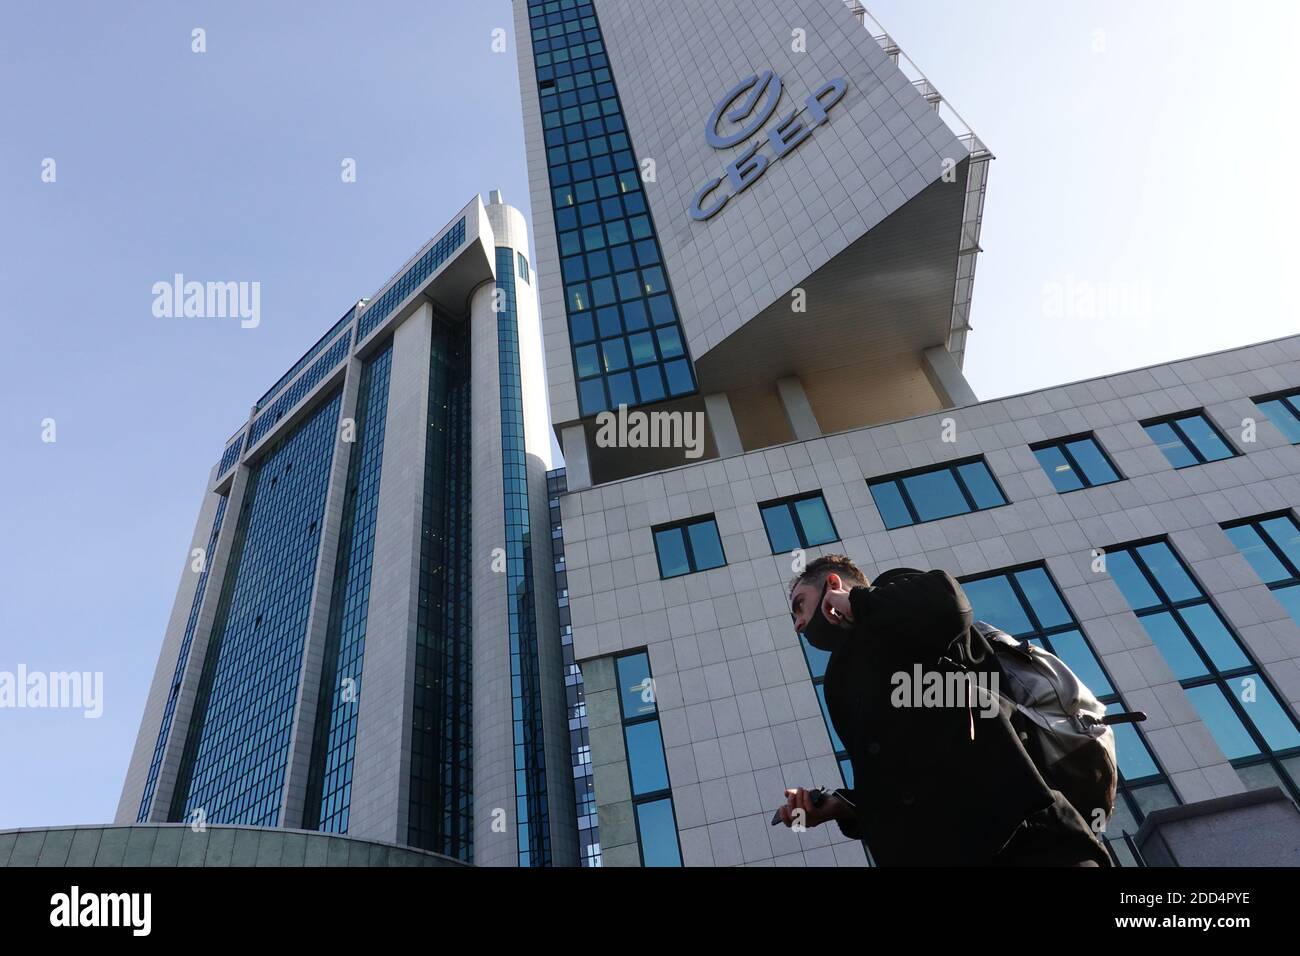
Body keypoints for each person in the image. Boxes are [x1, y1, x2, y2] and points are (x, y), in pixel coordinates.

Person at [774, 555, 1111, 867]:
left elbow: (950, 605)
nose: (799, 626)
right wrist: (844, 808)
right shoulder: (839, 683)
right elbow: (889, 783)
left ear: (833, 585)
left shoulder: (897, 598)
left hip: (1027, 838)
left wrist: (859, 602)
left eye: (800, 607)